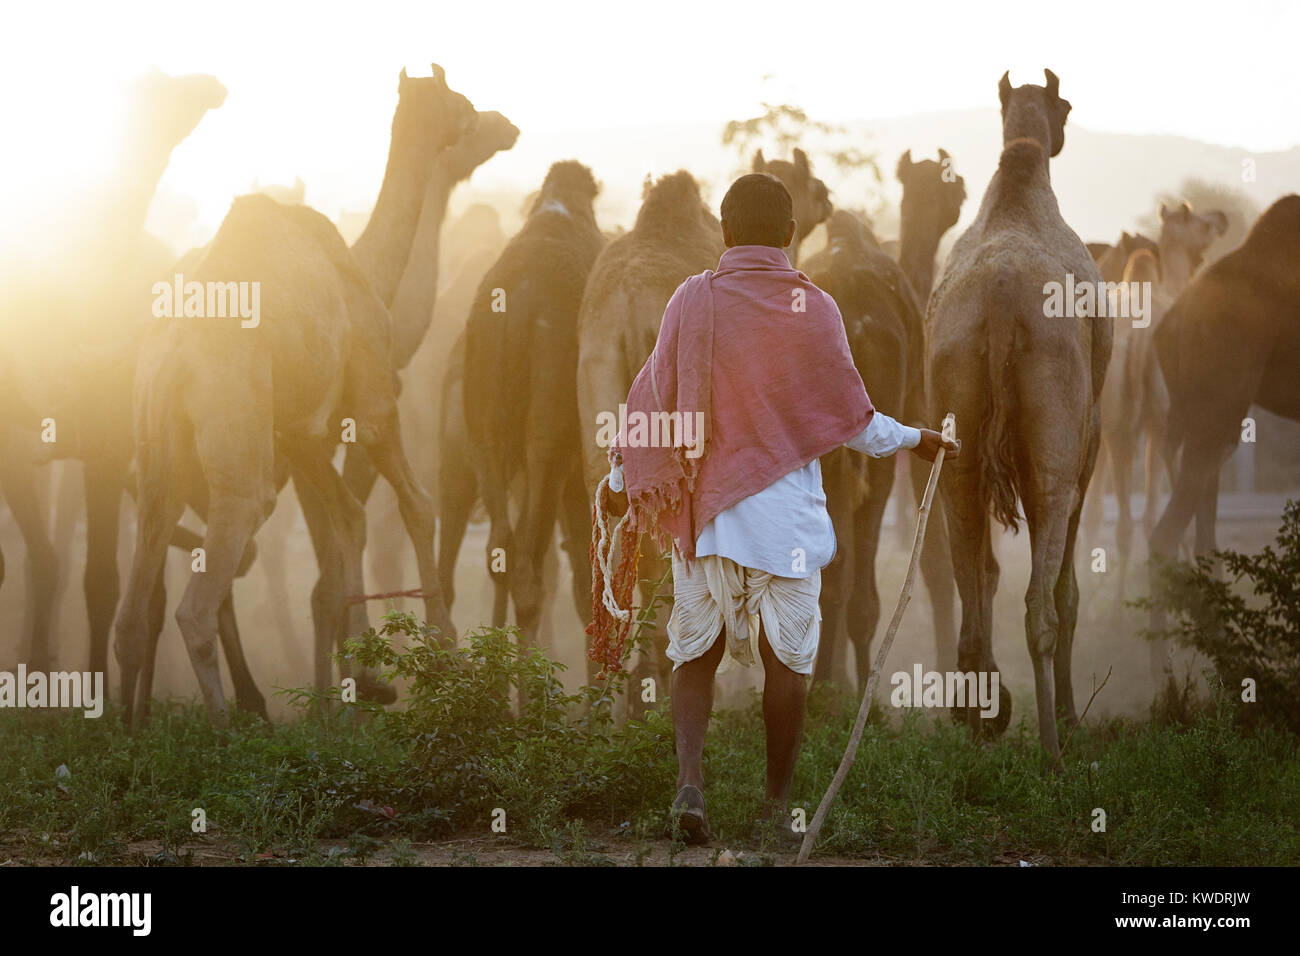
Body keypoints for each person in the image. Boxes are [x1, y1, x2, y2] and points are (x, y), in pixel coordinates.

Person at [606, 172, 959, 845]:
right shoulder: (815, 308)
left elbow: (649, 396)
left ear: (724, 232)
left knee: (694, 657)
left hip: (706, 521)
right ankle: (775, 805)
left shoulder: (690, 299)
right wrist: (919, 439)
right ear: (793, 236)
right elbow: (855, 420)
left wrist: (622, 474)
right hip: (787, 529)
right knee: (787, 664)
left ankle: (690, 784)